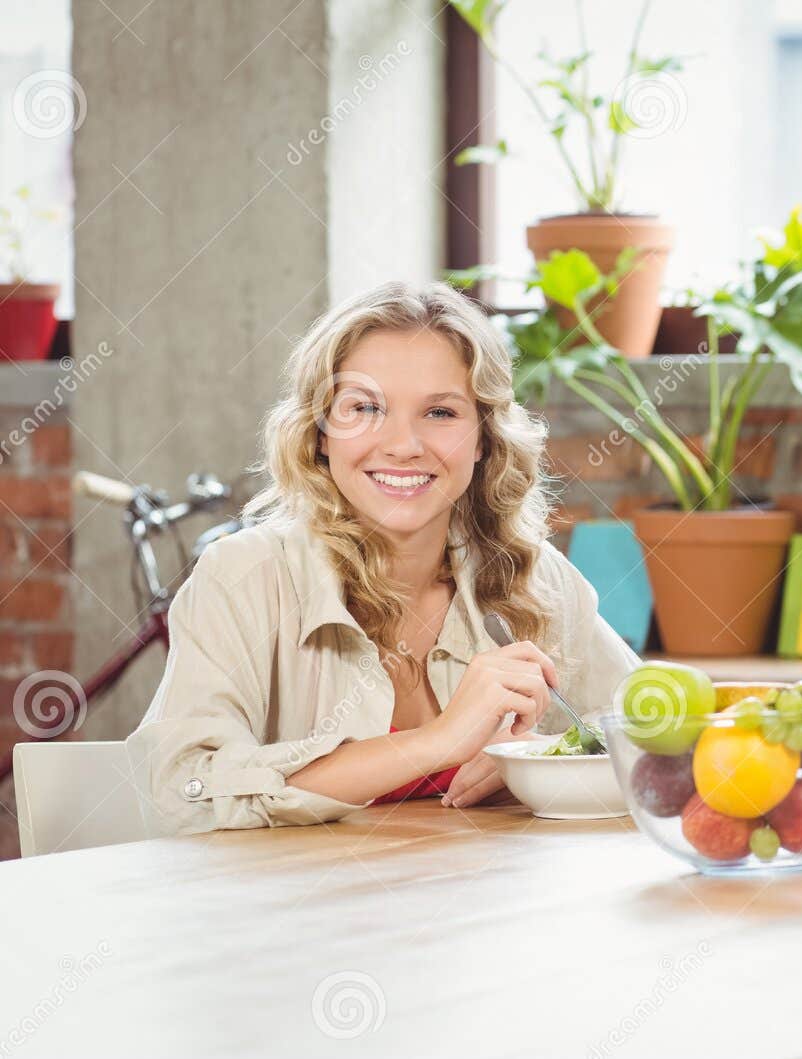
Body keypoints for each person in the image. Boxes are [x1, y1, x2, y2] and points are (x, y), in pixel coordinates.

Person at [129, 282, 639, 835]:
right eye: (365, 407)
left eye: (440, 412)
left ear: (484, 439)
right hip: (294, 914)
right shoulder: (245, 577)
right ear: (321, 432)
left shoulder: (535, 578)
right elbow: (185, 792)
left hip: (486, 911)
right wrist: (440, 741)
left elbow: (654, 728)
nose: (402, 445)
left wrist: (540, 755)